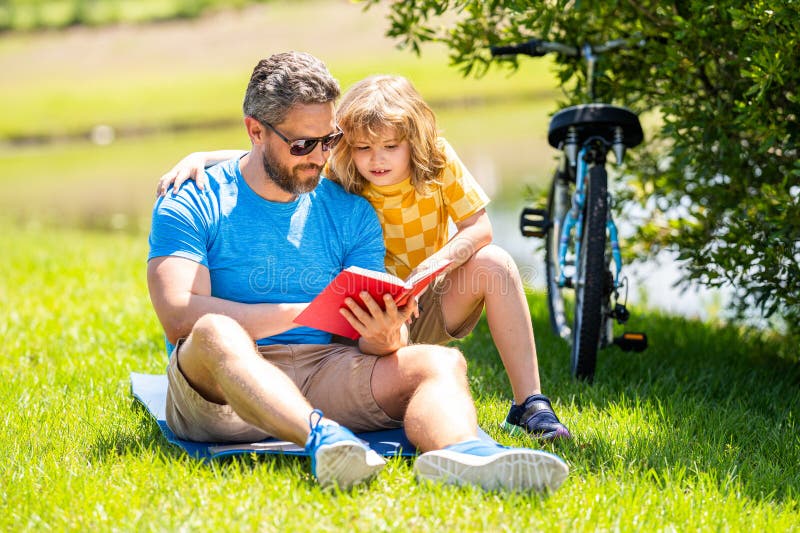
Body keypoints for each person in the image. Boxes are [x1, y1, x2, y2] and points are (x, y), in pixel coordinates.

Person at [147, 51, 569, 492]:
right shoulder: (192, 198)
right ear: (255, 131)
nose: (319, 157)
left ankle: (467, 456)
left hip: (326, 370)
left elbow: (375, 342)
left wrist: (385, 333)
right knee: (215, 329)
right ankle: (324, 439)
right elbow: (178, 316)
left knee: (440, 362)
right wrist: (305, 312)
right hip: (223, 392)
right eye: (303, 145)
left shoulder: (351, 210)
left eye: (329, 141)